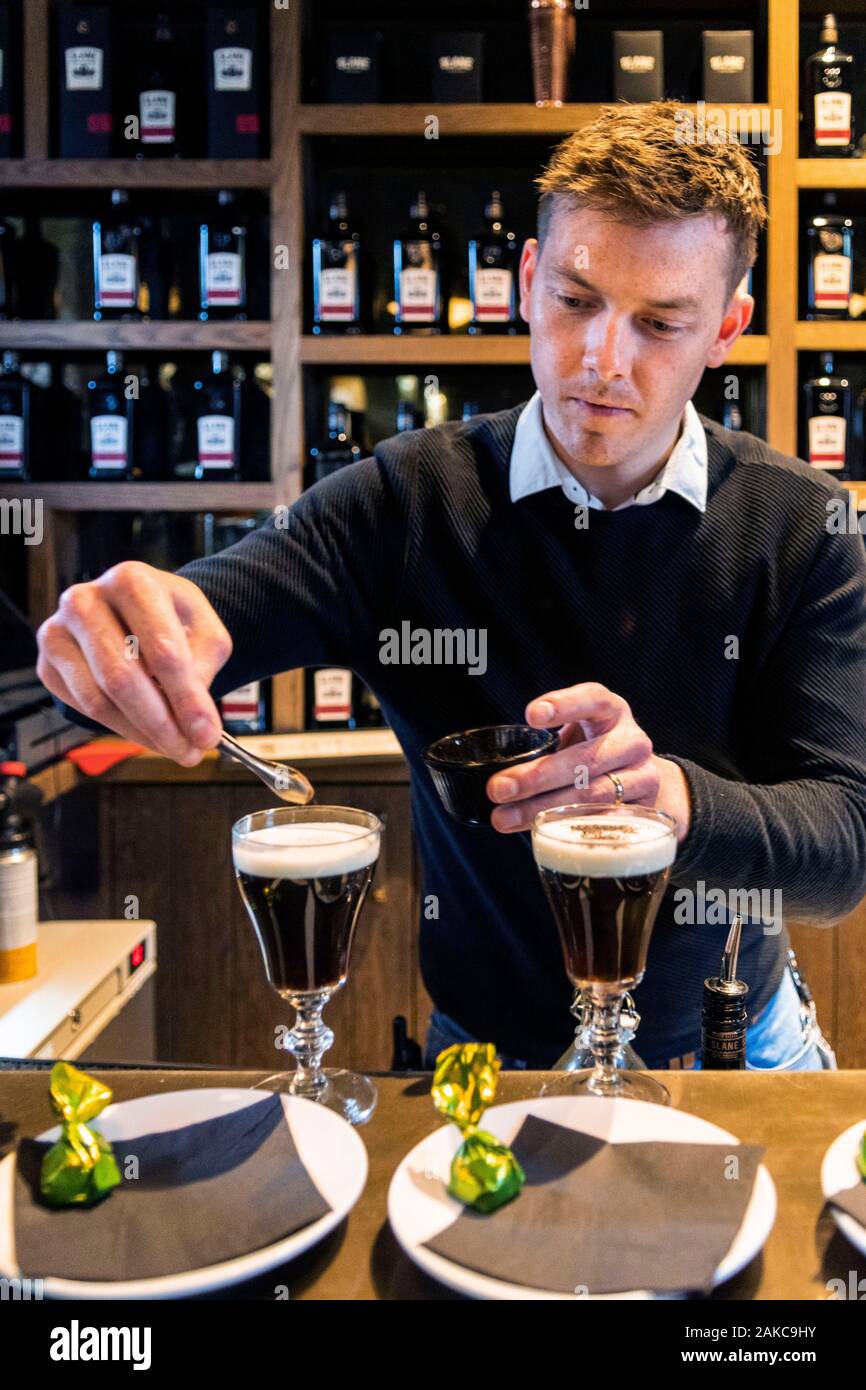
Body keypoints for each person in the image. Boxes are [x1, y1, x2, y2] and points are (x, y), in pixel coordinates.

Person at [36, 102, 863, 1070]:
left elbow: (844, 841)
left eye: (657, 323)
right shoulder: (410, 501)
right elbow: (217, 607)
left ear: (724, 330)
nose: (601, 358)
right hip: (485, 1055)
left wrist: (674, 801)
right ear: (523, 281)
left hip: (735, 1051)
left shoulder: (801, 524)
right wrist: (133, 627)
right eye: (574, 299)